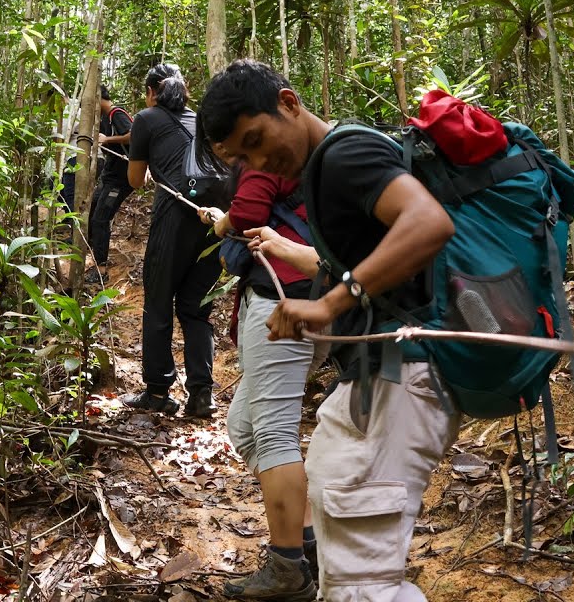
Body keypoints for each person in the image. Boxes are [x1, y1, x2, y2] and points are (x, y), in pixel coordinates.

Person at [197, 59, 459, 602]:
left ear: (289, 103)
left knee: (361, 585)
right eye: (241, 157)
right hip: (381, 373)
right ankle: (306, 555)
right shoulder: (323, 168)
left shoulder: (343, 155)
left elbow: (429, 224)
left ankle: (294, 564)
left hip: (405, 370)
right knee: (351, 563)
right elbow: (369, 253)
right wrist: (305, 257)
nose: (259, 160)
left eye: (257, 140)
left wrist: (334, 300)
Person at [197, 170, 319, 601]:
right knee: (245, 427)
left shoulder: (267, 152)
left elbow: (247, 210)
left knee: (273, 434)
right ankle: (309, 547)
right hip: (284, 290)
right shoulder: (288, 152)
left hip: (284, 296)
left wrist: (222, 222)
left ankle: (289, 568)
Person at [123, 63, 220, 418]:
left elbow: (135, 180)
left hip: (175, 216)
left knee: (159, 299)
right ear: (185, 88)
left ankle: (159, 391)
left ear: (151, 92)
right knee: (196, 306)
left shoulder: (146, 118)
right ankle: (201, 395)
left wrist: (149, 168)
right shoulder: (203, 121)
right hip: (216, 219)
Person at [87, 85, 134, 277]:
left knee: (101, 218)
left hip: (120, 179)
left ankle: (101, 269)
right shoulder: (104, 118)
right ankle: (95, 253)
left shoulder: (116, 113)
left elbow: (133, 136)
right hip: (109, 175)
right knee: (92, 210)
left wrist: (108, 140)